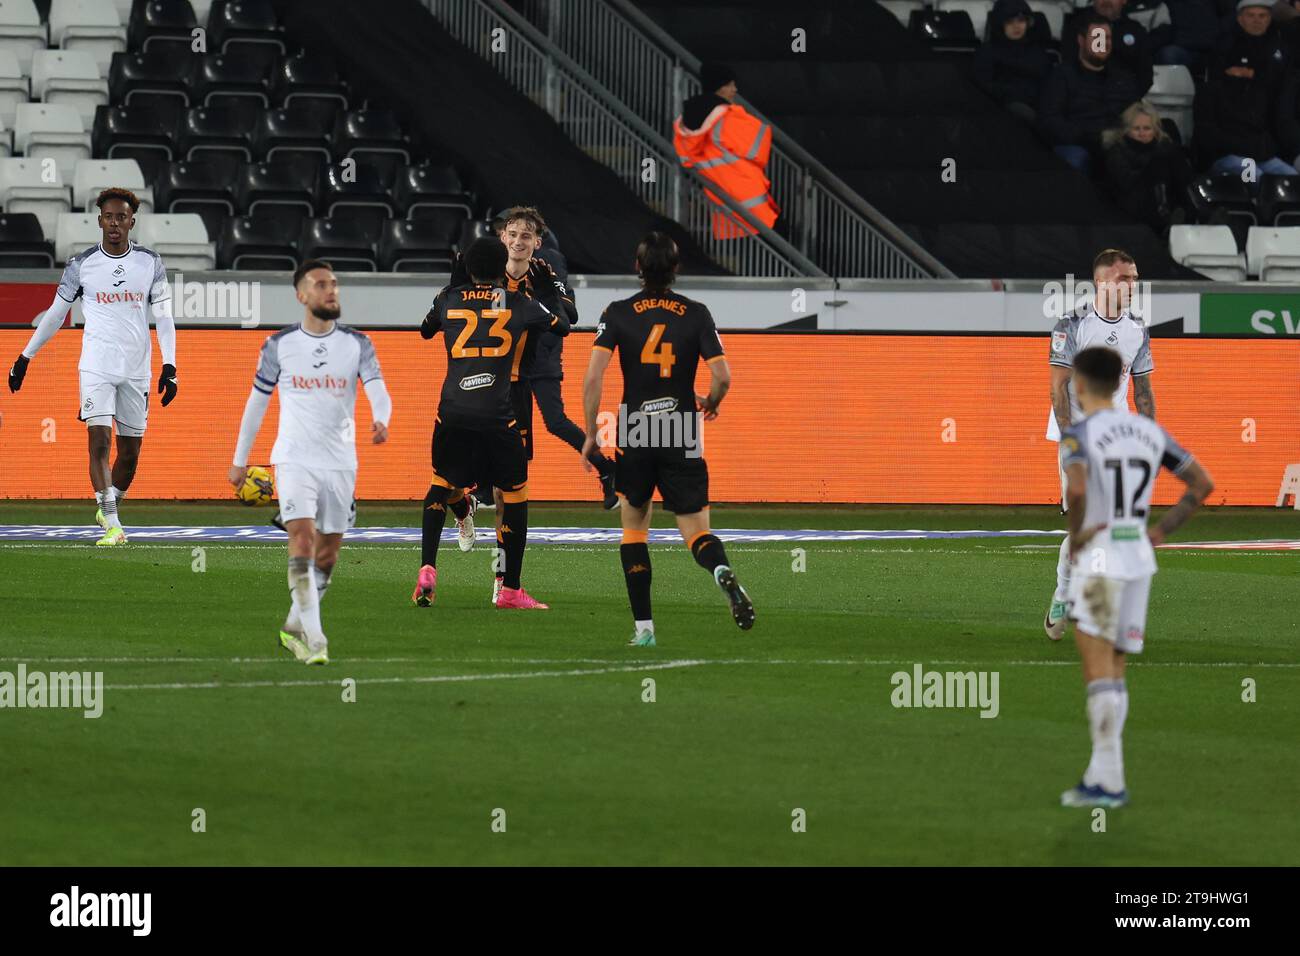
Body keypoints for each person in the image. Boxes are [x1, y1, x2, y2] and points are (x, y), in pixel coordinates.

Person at [1057, 346, 1213, 808]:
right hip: (1138, 555)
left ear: (1080, 386)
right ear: (1119, 383)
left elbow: (1079, 488)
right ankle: (1105, 775)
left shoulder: (1078, 435)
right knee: (1117, 666)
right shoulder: (1150, 431)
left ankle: (1108, 782)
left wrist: (1079, 536)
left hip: (1101, 558)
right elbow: (1202, 484)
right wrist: (1161, 531)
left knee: (1096, 666)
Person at [580, 232, 754, 648]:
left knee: (634, 531)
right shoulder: (696, 313)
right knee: (697, 532)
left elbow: (593, 377)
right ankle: (719, 571)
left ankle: (644, 631)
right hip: (681, 430)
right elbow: (724, 376)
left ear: (637, 269)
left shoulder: (617, 312)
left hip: (636, 430)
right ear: (676, 270)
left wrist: (590, 433)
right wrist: (710, 402)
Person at [229, 261, 392, 666]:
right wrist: (239, 460)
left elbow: (378, 388)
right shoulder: (278, 345)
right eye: (321, 285)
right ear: (302, 295)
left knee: (327, 556)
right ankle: (316, 640)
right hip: (293, 458)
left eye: (334, 284)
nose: (331, 290)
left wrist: (382, 418)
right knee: (301, 538)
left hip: (340, 462)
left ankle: (292, 629)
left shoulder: (358, 344)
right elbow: (256, 403)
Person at [7, 187, 177, 546]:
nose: (115, 223)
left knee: (129, 455)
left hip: (137, 369)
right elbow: (56, 314)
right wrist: (26, 356)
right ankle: (113, 525)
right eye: (109, 217)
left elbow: (163, 316)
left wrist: (170, 365)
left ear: (132, 221)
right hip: (96, 366)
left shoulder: (150, 262)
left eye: (122, 217)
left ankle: (108, 503)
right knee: (99, 443)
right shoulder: (81, 265)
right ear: (99, 220)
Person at [413, 237, 570, 611]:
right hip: (500, 413)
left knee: (441, 483)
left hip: (452, 411)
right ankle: (510, 588)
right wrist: (550, 289)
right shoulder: (519, 302)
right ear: (503, 269)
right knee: (512, 495)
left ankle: (427, 567)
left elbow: (424, 329)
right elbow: (563, 326)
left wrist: (453, 287)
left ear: (466, 268)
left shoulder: (449, 299)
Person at [1045, 248, 1156, 641]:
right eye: (1124, 278)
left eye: (1135, 278)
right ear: (1101, 282)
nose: (1132, 285)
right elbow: (1058, 387)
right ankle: (1065, 595)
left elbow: (1141, 390)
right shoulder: (1072, 325)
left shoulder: (1138, 329)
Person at [673, 62, 779, 239]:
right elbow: (759, 147)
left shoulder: (686, 121)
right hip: (750, 200)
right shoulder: (729, 116)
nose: (735, 89)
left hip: (724, 202)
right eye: (731, 85)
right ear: (720, 88)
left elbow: (687, 158)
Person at [1038, 16, 1148, 174]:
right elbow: (1049, 120)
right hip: (1081, 144)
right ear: (1081, 40)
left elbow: (1137, 113)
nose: (1102, 42)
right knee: (1076, 158)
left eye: (1107, 38)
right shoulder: (1061, 76)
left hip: (1119, 144)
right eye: (1097, 36)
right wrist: (1086, 137)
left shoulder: (1123, 78)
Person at [1194, 16, 1297, 178]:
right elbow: (1207, 137)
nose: (1243, 71)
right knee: (1254, 174)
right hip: (1224, 157)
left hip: (1259, 156)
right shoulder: (1209, 92)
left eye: (1247, 68)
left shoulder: (1259, 93)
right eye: (1238, 67)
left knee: (1291, 177)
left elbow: (1271, 130)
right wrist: (1246, 147)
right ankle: (1261, 203)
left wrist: (1264, 148)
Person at [1102, 101, 1195, 232]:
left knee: (1175, 158)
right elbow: (1125, 182)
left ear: (1155, 130)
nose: (1142, 133)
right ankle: (1166, 219)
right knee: (1158, 164)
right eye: (1136, 129)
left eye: (1147, 128)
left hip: (1167, 197)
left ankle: (1195, 212)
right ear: (1126, 130)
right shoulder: (1116, 151)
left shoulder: (1165, 148)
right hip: (1132, 201)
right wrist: (1149, 168)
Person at [974, 0, 1053, 124]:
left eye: (1021, 21)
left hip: (1040, 105)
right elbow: (984, 86)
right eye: (1010, 22)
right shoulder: (988, 52)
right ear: (1001, 25)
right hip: (1003, 110)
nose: (1016, 26)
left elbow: (1049, 83)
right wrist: (1014, 94)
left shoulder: (1037, 51)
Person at [1064, 0, 1156, 93]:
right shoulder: (1077, 26)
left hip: (1126, 98)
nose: (1106, 1)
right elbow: (1069, 66)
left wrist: (1129, 97)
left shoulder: (1136, 30)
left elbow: (1145, 74)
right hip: (1086, 97)